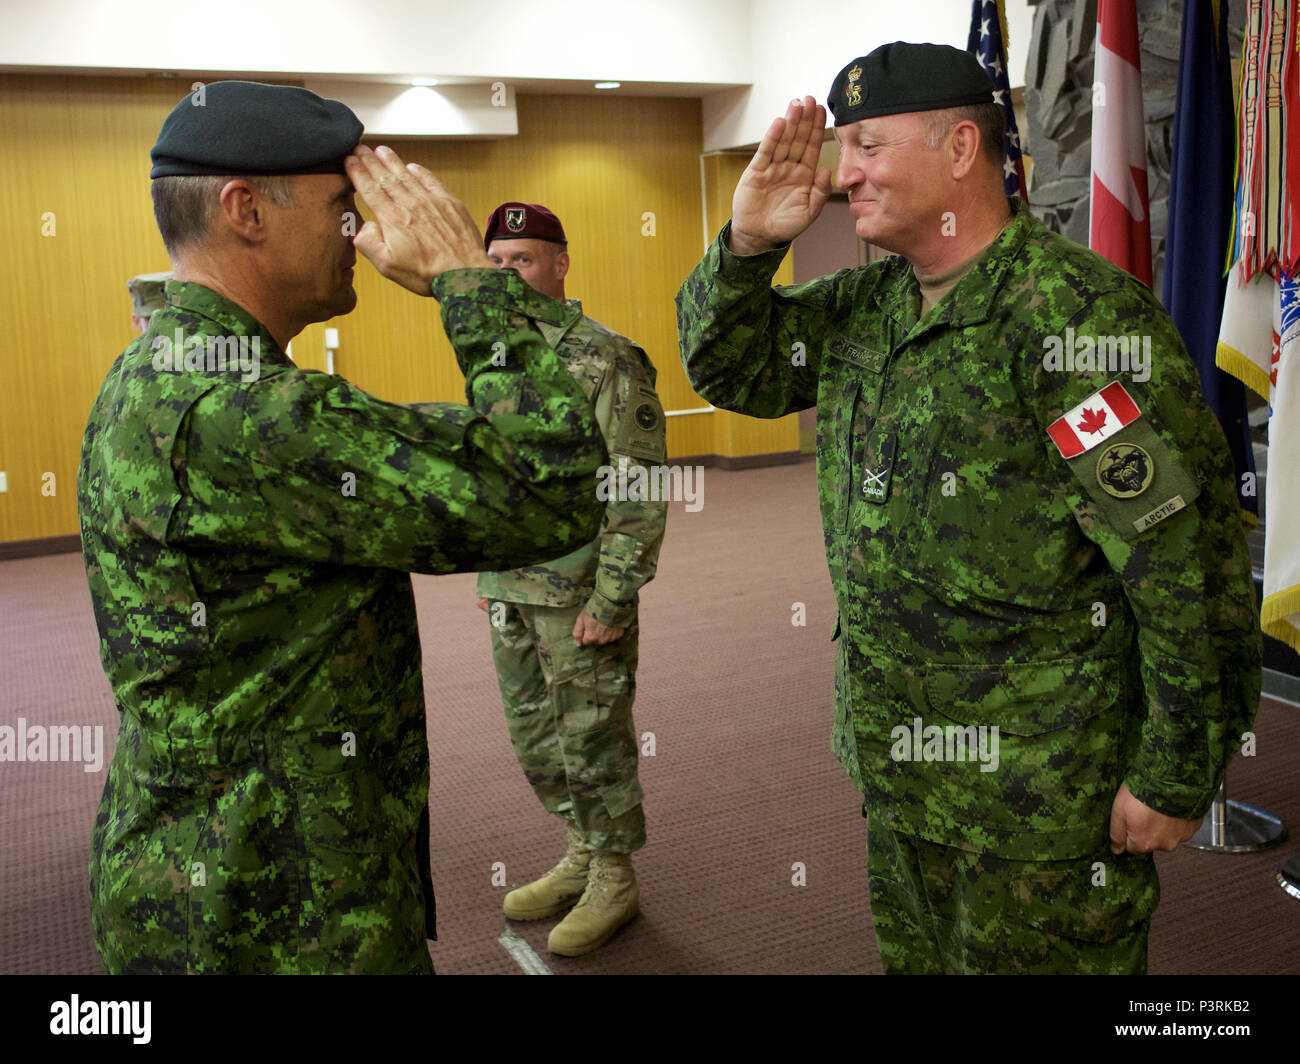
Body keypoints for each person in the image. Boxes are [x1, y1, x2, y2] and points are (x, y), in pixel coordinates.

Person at [675, 42, 1261, 974]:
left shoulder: (1074, 320)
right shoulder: (870, 306)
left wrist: (1177, 770)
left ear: (958, 150)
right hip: (899, 770)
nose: (844, 171)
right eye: (844, 146)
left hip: (1038, 799)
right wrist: (747, 248)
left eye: (867, 145)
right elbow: (730, 367)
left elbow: (1184, 565)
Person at [78, 82, 608, 974]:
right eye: (340, 210)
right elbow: (547, 485)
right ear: (245, 210)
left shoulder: (163, 363)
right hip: (279, 909)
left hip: (217, 865)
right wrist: (472, 290)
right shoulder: (243, 410)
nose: (359, 235)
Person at [475, 202, 666, 956]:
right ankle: (582, 850)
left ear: (559, 263)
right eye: (494, 264)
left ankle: (614, 876)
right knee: (537, 740)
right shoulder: (492, 357)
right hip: (510, 587)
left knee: (592, 737)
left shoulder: (607, 358)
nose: (508, 275)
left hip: (580, 589)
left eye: (522, 259)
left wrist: (614, 595)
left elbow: (640, 483)